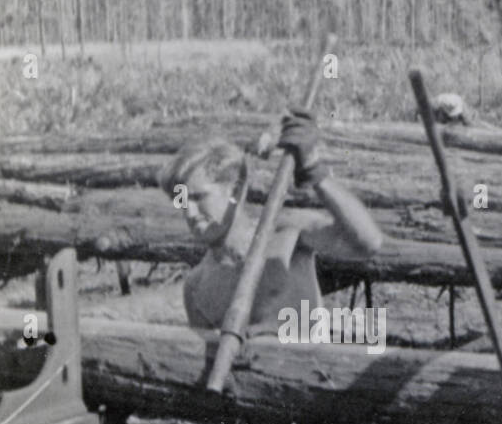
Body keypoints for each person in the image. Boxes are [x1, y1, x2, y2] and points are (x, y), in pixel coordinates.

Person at [159, 108, 384, 336]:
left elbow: (368, 243)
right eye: (182, 202)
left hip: (312, 368)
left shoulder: (286, 233)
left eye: (199, 198)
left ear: (235, 190)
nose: (190, 212)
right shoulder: (197, 287)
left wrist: (314, 169)